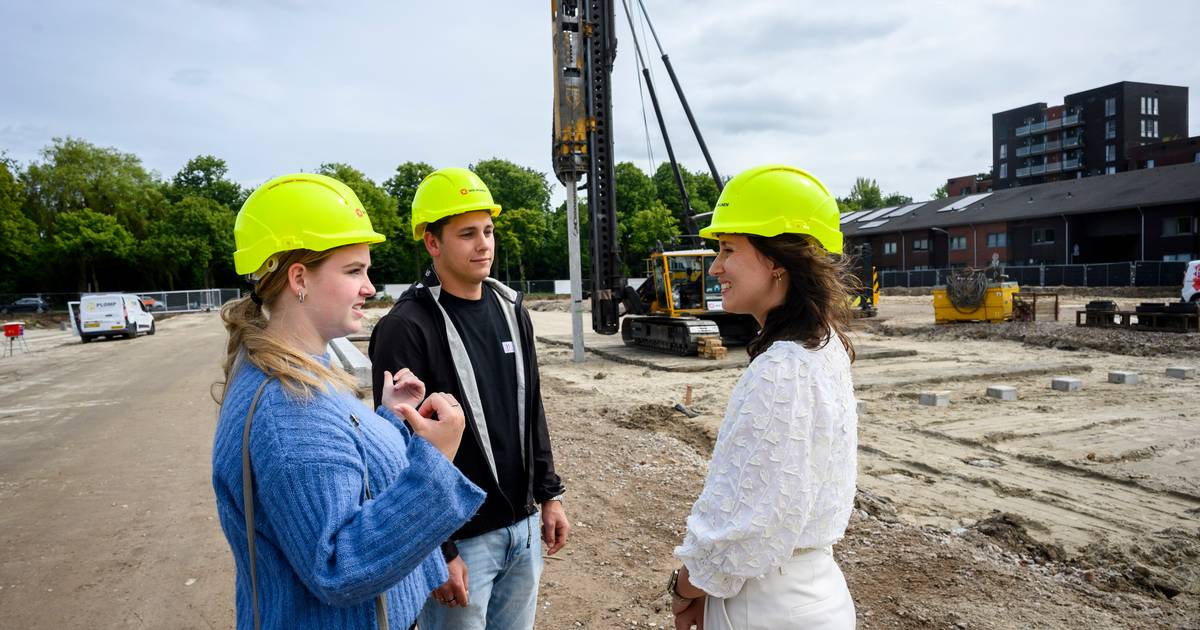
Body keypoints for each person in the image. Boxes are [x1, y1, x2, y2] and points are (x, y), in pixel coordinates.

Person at [211, 173, 487, 630]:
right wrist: (436, 461)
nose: (370, 287)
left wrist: (390, 421)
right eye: (354, 270)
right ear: (299, 278)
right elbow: (338, 566)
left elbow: (338, 469)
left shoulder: (295, 371)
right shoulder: (290, 409)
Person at [368, 167, 569, 630]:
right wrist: (438, 550)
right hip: (462, 543)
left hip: (521, 531)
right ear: (432, 243)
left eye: (489, 230)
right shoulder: (405, 328)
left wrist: (549, 495)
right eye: (467, 234)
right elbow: (397, 453)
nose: (484, 244)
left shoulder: (510, 308)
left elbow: (531, 407)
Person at [668, 165, 860, 630]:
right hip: (815, 591)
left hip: (765, 606)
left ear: (778, 261)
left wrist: (683, 587)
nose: (715, 267)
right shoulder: (824, 345)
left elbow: (747, 527)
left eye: (728, 249)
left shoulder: (780, 370)